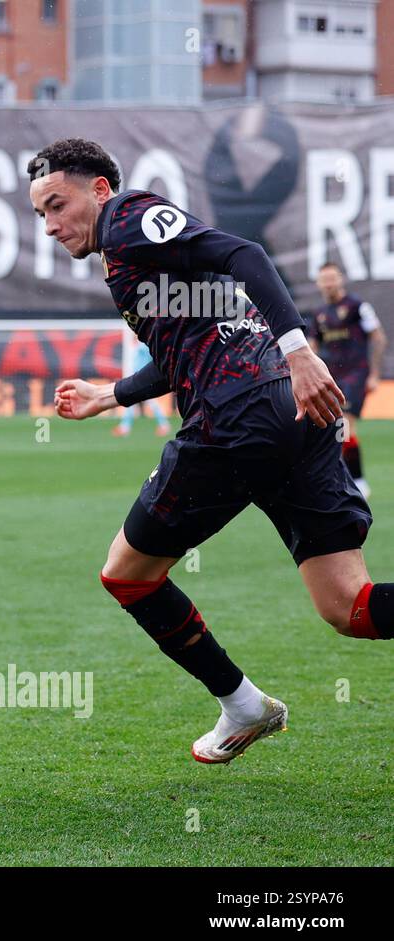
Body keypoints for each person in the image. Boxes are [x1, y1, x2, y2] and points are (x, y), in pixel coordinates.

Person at [32, 138, 388, 765]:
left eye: (57, 205)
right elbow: (184, 353)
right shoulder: (140, 261)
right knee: (349, 607)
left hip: (238, 419)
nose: (52, 226)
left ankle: (244, 705)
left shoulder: (129, 219)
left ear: (100, 189)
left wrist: (300, 349)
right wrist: (109, 395)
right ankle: (245, 707)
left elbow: (245, 252)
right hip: (290, 413)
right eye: (41, 215)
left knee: (126, 574)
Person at [308, 261, 385, 498]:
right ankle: (342, 478)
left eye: (332, 278)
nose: (329, 283)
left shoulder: (357, 307)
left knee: (344, 425)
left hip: (356, 373)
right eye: (324, 279)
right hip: (331, 377)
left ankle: (359, 481)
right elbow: (312, 345)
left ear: (341, 279)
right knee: (332, 428)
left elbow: (378, 338)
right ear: (319, 283)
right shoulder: (319, 314)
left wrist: (373, 374)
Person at [112, 332, 171, 438]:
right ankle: (125, 427)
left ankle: (164, 425)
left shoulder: (144, 346)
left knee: (149, 403)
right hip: (136, 379)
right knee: (132, 402)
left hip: (144, 380)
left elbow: (150, 358)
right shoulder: (136, 345)